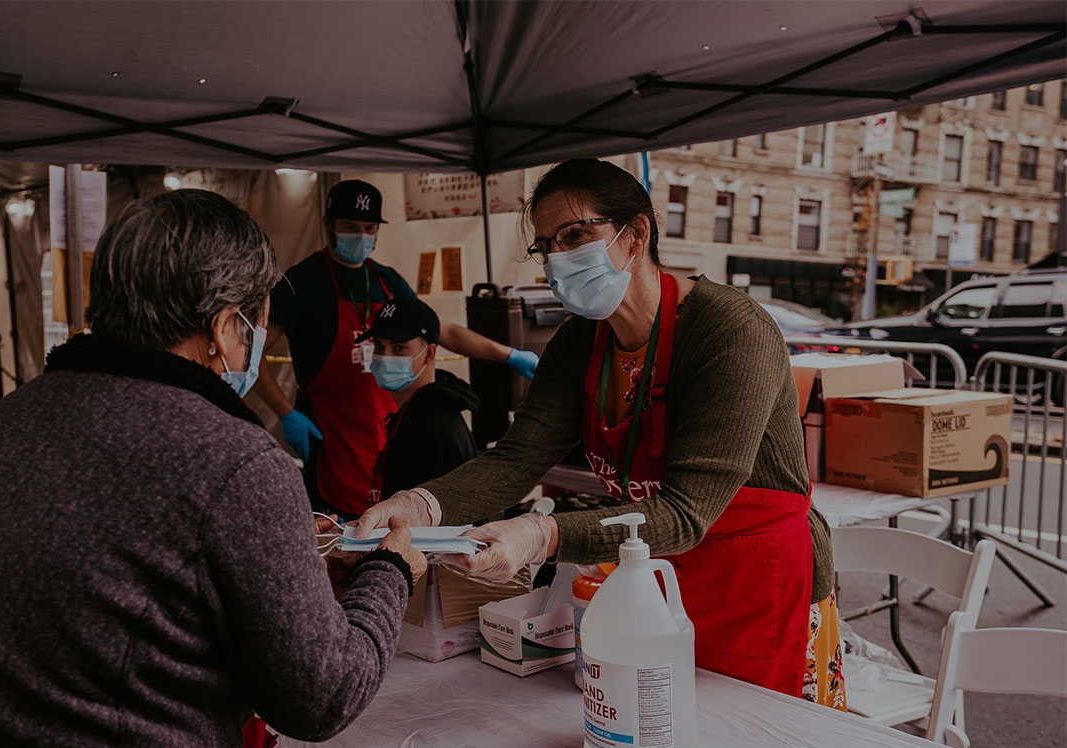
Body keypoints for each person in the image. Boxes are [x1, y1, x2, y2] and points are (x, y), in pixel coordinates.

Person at [0, 189, 428, 748]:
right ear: (222, 327)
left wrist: (280, 547)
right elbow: (322, 696)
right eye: (255, 327)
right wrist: (389, 570)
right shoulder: (236, 460)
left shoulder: (10, 418)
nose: (255, 346)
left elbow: (117, 571)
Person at [356, 159, 845, 710]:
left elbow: (685, 515)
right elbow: (516, 460)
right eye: (546, 245)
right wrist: (422, 504)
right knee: (653, 732)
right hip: (650, 572)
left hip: (755, 581)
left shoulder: (731, 331)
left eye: (575, 235)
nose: (558, 258)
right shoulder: (577, 344)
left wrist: (541, 534)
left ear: (635, 234)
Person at [256, 179, 538, 520]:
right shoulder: (301, 283)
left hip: (386, 427)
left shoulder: (388, 281)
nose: (360, 236)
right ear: (328, 225)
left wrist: (508, 354)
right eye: (349, 227)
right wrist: (286, 413)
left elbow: (441, 329)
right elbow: (252, 349)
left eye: (368, 228)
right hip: (331, 437)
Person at [355, 296, 478, 504]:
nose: (385, 356)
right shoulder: (415, 413)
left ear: (429, 353)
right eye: (378, 346)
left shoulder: (433, 428)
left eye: (398, 348)